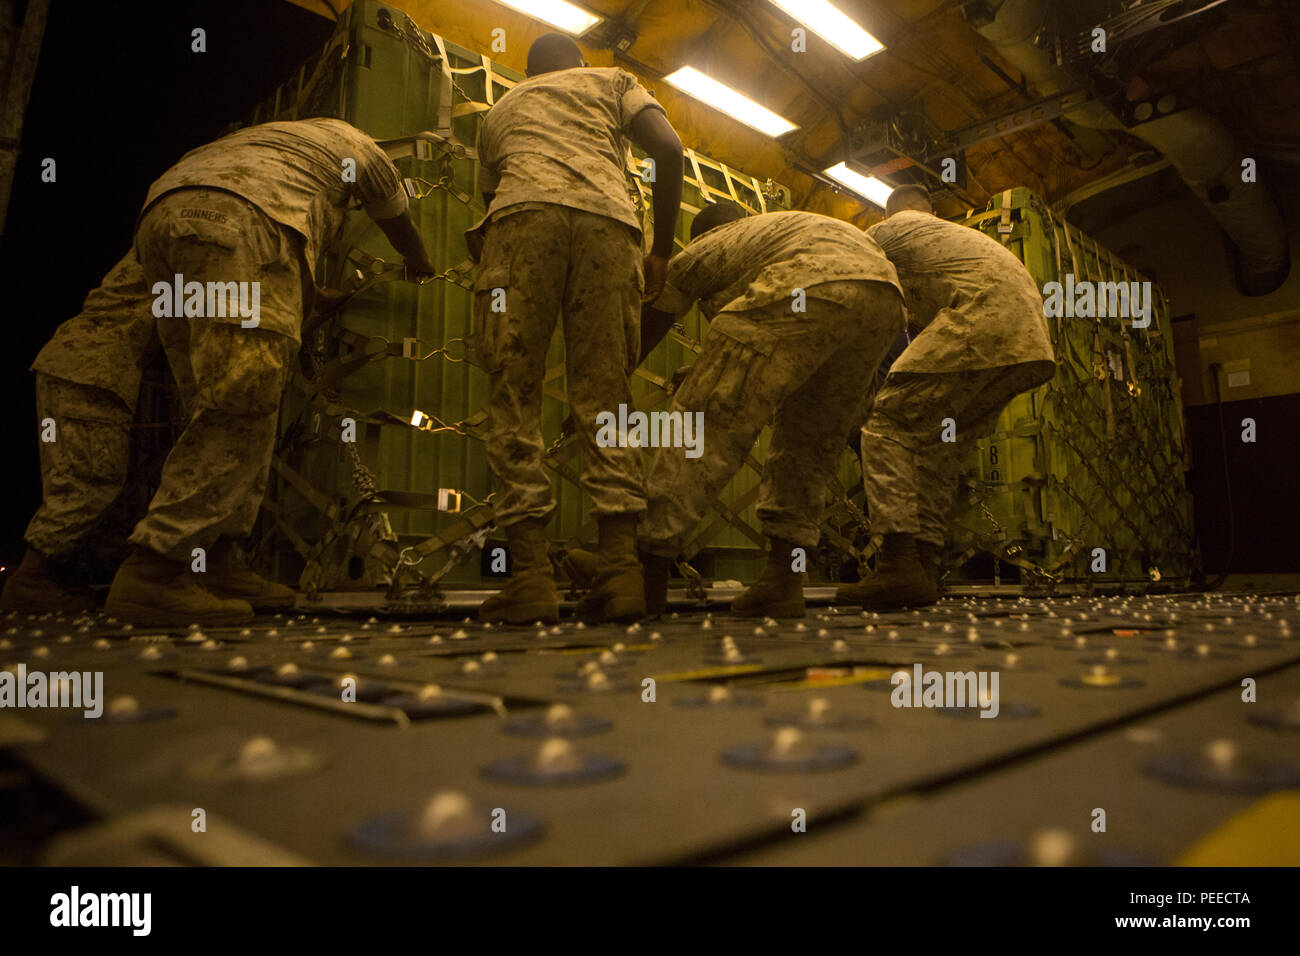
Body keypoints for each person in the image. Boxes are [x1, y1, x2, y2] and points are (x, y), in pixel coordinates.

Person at [1, 118, 436, 625]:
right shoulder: (360, 145)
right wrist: (419, 259)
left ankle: (221, 560)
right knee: (243, 396)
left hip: (163, 217)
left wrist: (312, 295)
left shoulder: (265, 142)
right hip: (242, 218)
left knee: (219, 401)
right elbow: (396, 216)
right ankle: (157, 569)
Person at [469, 32, 683, 625]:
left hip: (520, 220)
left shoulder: (500, 111)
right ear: (579, 63)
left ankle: (530, 578)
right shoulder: (610, 81)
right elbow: (668, 151)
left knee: (513, 392)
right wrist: (661, 251)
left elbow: (489, 200)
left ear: (527, 72)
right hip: (610, 228)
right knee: (607, 398)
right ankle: (620, 572)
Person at [635, 203, 905, 618]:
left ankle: (643, 574)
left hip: (810, 282)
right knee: (808, 446)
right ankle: (784, 578)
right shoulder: (789, 228)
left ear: (701, 235)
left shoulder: (710, 246)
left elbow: (653, 319)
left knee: (704, 422)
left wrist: (615, 385)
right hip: (885, 297)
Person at [837, 184, 1056, 609]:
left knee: (883, 427)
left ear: (890, 212)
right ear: (931, 210)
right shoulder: (959, 244)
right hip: (1029, 342)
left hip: (983, 319)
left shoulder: (888, 233)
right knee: (940, 451)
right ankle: (922, 569)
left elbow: (843, 286)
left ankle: (899, 565)